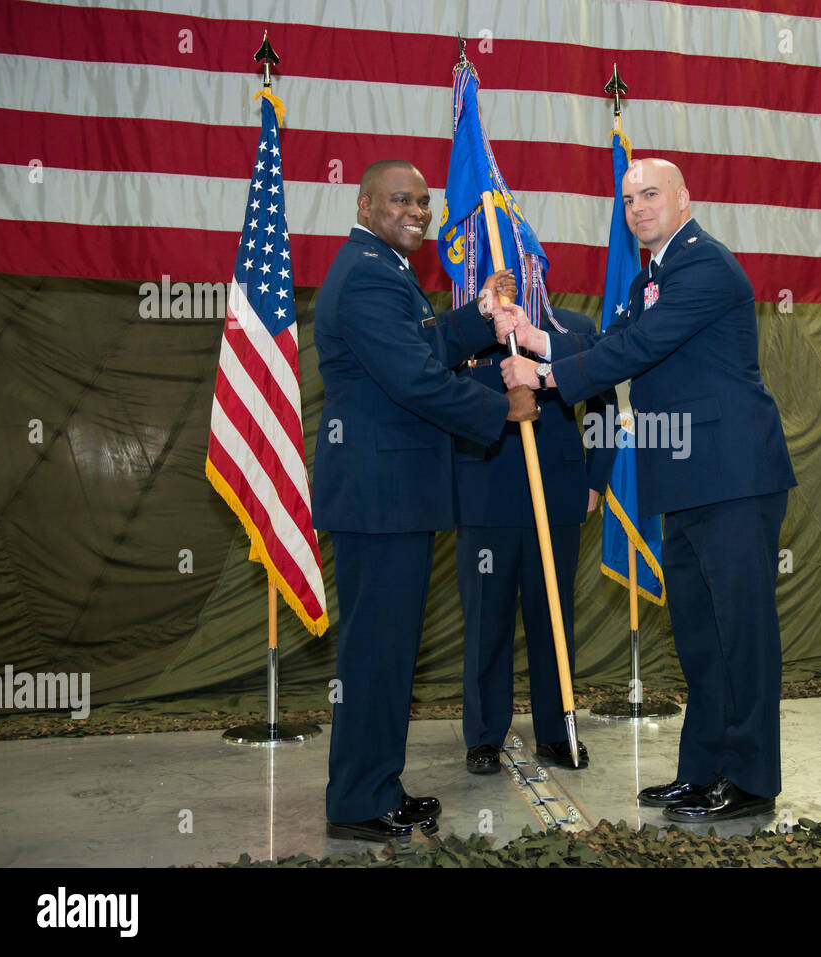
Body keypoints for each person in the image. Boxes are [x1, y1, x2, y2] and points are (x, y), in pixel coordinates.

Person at [499, 158, 796, 822]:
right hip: (686, 477)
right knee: (697, 632)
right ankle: (704, 769)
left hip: (733, 475)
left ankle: (750, 780)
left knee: (740, 632)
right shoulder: (650, 276)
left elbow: (639, 349)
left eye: (650, 194)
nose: (637, 207)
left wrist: (544, 379)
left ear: (684, 199)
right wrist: (535, 337)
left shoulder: (706, 266)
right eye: (628, 197)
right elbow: (614, 340)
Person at [312, 159, 537, 842]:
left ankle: (377, 783)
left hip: (392, 497)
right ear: (363, 202)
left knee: (387, 650)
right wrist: (500, 410)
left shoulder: (383, 269)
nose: (417, 210)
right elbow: (413, 378)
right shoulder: (367, 274)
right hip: (381, 498)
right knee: (377, 653)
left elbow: (428, 344)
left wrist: (481, 314)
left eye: (423, 202)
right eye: (399, 199)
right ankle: (357, 800)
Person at [455, 306, 615, 775]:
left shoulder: (573, 330)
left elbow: (606, 406)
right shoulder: (465, 329)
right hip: (486, 494)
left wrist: (595, 480)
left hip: (558, 491)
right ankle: (484, 736)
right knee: (487, 620)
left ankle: (556, 732)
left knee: (553, 621)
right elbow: (441, 400)